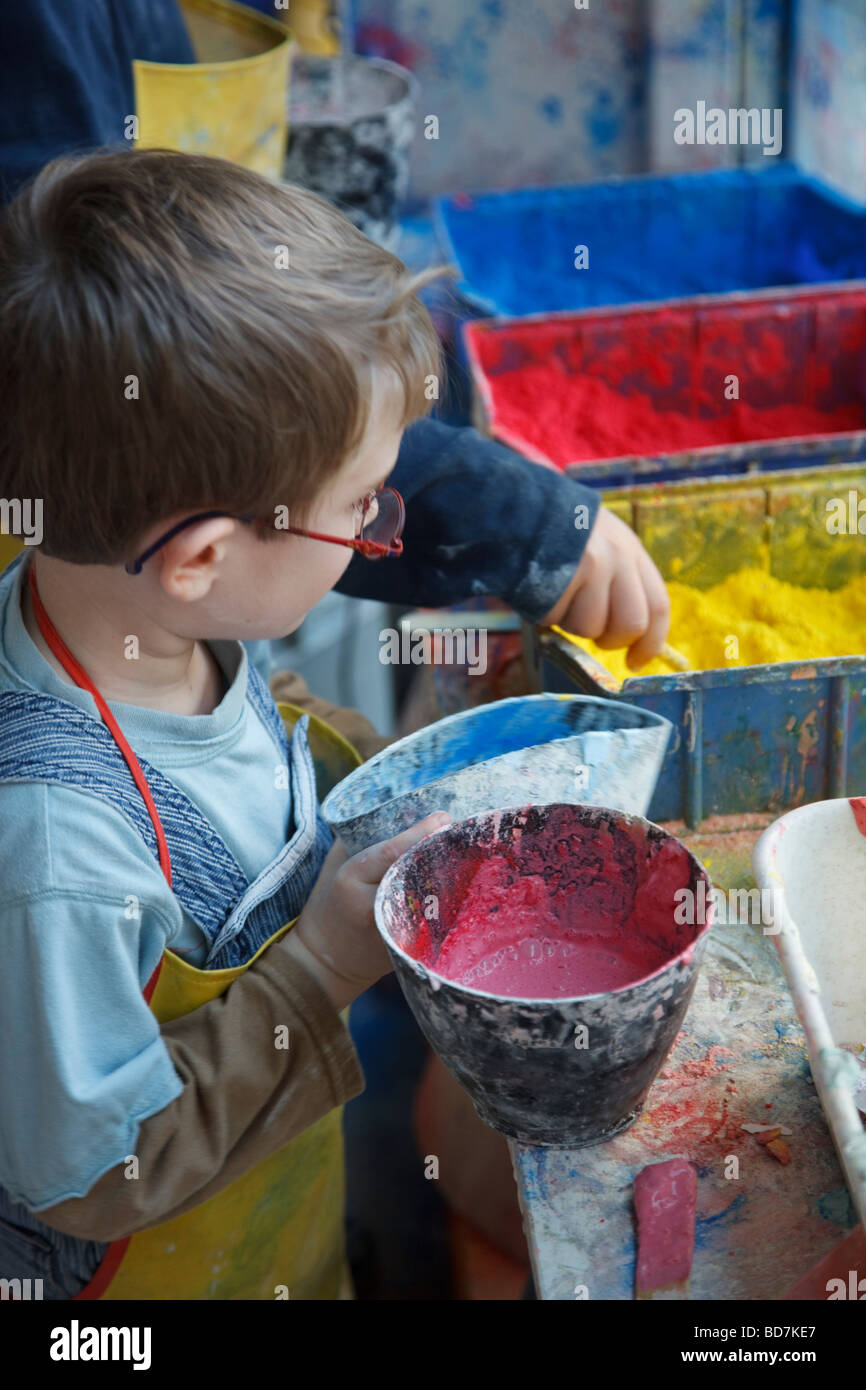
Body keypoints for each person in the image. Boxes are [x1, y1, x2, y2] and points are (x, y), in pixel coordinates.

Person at [0, 147, 667, 1300]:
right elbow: (92, 1169)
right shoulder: (60, 854)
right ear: (205, 557)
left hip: (275, 1237)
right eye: (362, 510)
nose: (385, 526)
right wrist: (322, 964)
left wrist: (415, 775)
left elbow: (254, 728)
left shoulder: (131, 617)